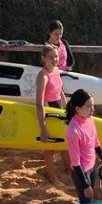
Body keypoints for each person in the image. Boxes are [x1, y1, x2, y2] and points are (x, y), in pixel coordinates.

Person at [65, 89, 102, 203]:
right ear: (78, 109)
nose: (92, 109)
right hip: (81, 172)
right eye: (88, 106)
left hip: (91, 166)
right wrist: (85, 185)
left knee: (89, 198)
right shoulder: (73, 131)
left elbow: (95, 141)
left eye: (92, 105)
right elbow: (75, 163)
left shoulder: (89, 119)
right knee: (85, 201)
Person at [35, 43, 70, 183]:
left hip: (59, 110)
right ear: (43, 58)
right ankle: (53, 178)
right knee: (50, 148)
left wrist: (67, 109)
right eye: (51, 57)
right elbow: (39, 103)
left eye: (56, 56)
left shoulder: (56, 70)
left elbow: (60, 91)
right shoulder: (42, 76)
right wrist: (43, 128)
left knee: (64, 143)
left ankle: (68, 170)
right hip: (50, 113)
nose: (55, 60)